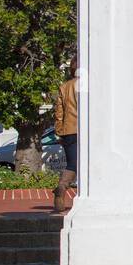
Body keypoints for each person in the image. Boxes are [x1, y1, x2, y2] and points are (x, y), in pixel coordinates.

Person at [52, 57, 80, 213]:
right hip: (87, 130)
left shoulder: (64, 87)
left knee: (72, 164)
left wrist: (59, 133)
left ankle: (61, 188)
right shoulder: (90, 85)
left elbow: (59, 113)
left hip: (69, 130)